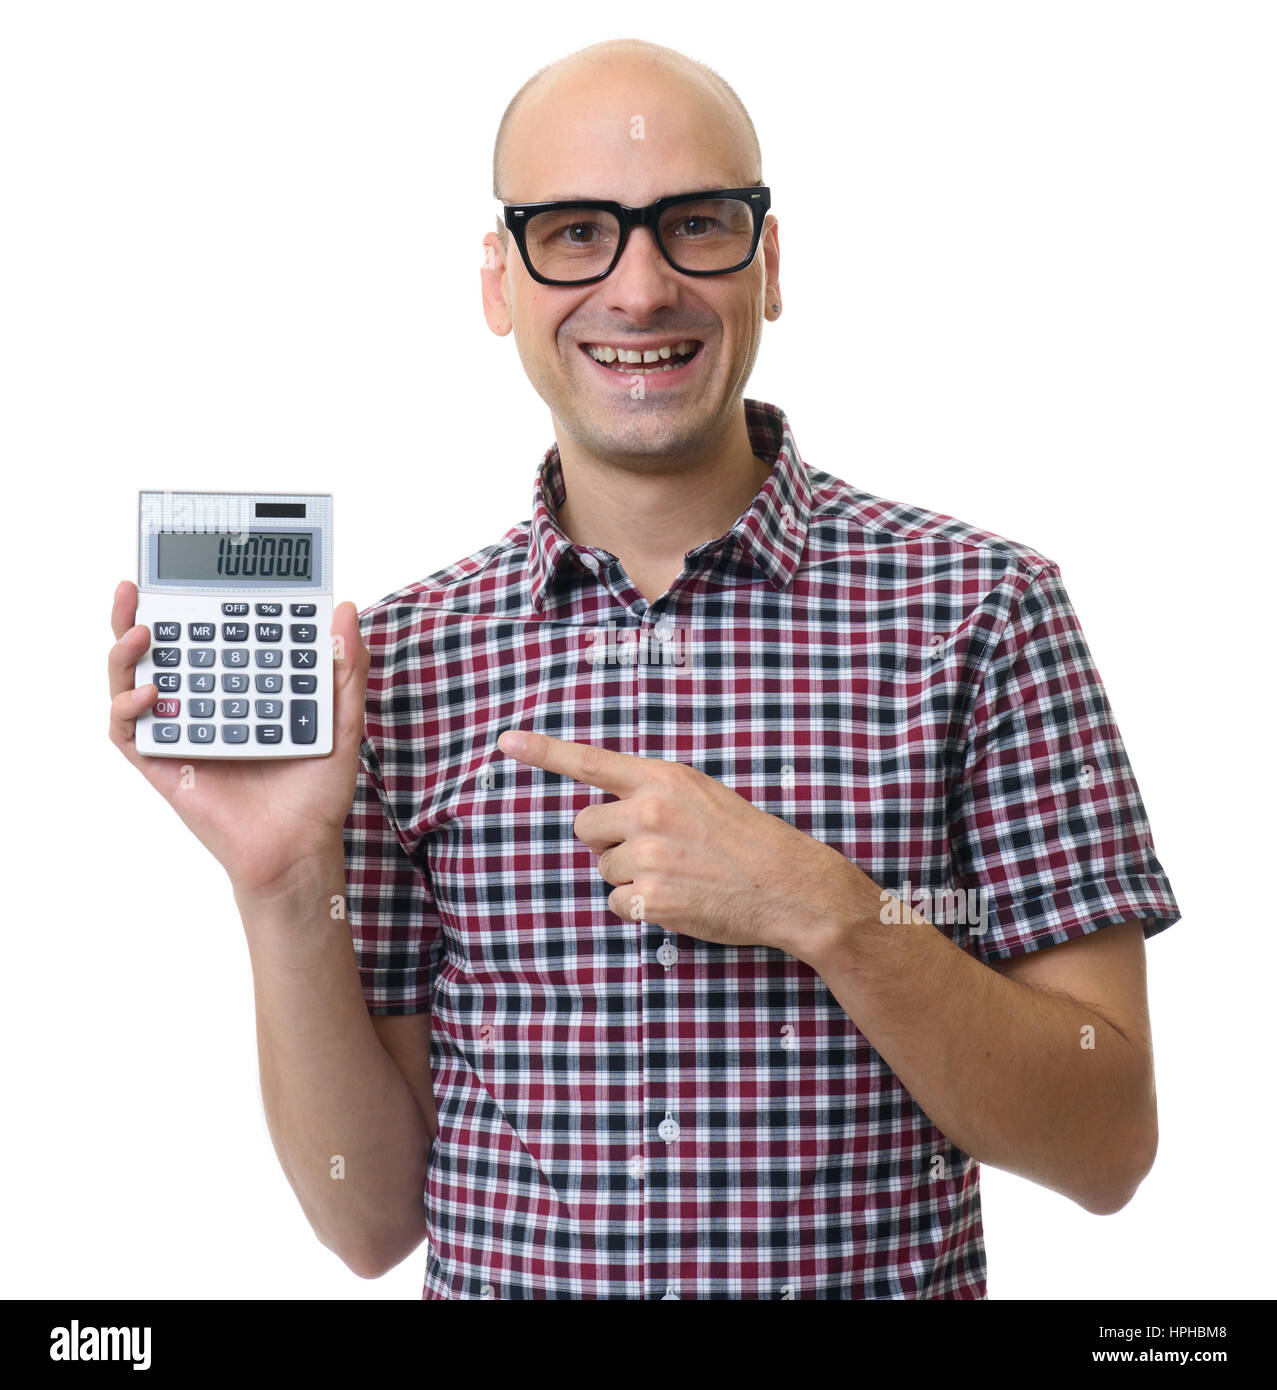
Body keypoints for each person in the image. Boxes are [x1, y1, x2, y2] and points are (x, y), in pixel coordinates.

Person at [108, 37, 1181, 1300]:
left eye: (693, 224)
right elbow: (367, 1222)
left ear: (767, 265)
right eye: (574, 233)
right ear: (500, 280)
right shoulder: (393, 666)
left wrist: (825, 911)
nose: (638, 288)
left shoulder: (983, 612)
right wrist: (285, 882)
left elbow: (1106, 1143)